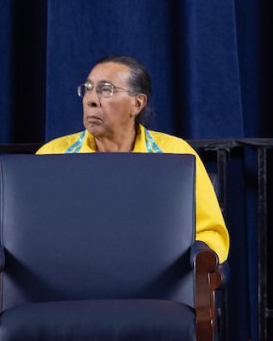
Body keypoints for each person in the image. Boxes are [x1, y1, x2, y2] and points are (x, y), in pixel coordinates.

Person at [38, 56, 229, 261]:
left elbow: (210, 233)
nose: (91, 99)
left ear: (137, 103)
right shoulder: (52, 155)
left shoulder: (176, 155)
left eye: (106, 89)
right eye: (88, 88)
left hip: (156, 271)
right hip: (73, 271)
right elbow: (34, 232)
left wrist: (200, 260)